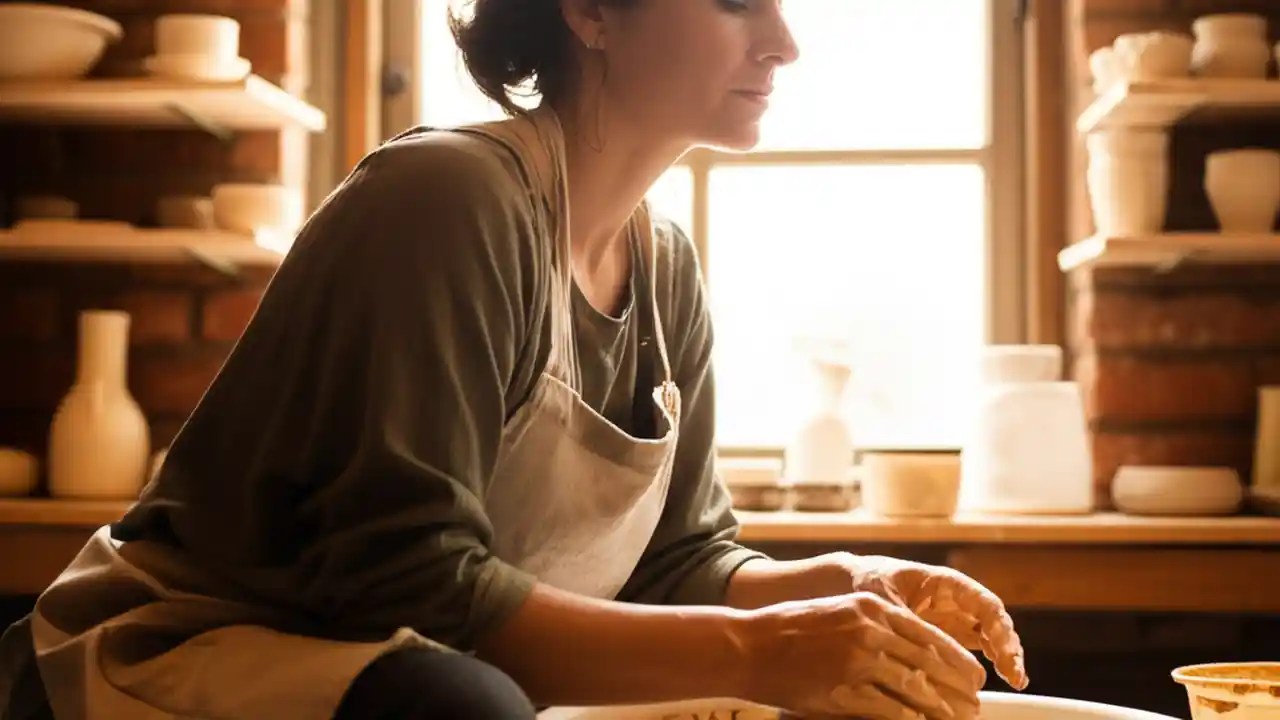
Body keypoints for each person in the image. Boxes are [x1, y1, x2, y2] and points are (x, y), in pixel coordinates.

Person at [0, 0, 1029, 718]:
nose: (785, 43)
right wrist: (761, 651)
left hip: (402, 666)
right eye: (735, 2)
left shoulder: (666, 270)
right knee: (463, 705)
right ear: (591, 12)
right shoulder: (446, 199)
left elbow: (677, 565)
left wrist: (839, 586)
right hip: (172, 655)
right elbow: (404, 584)